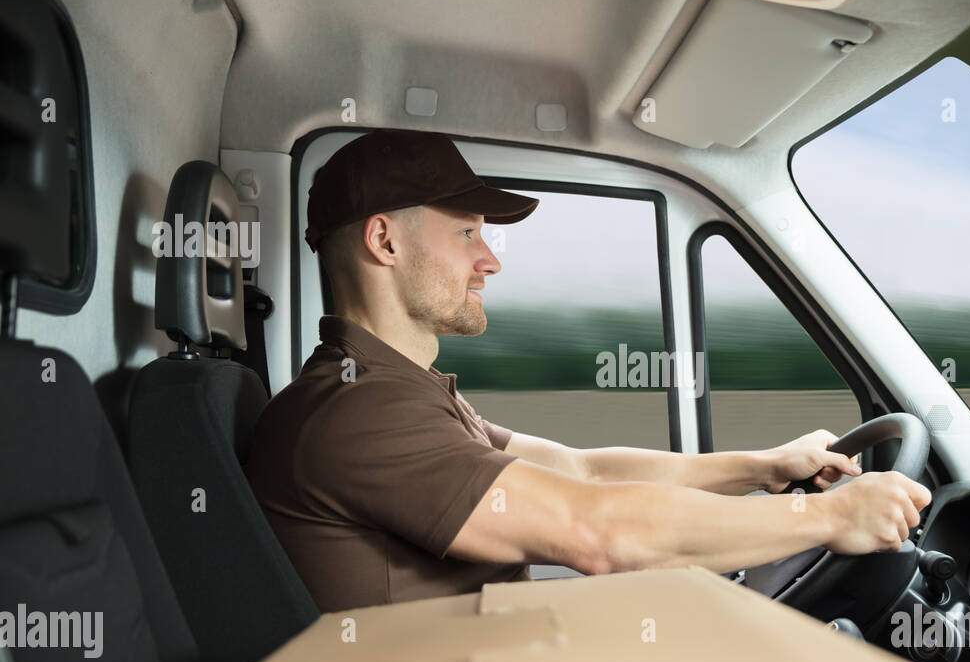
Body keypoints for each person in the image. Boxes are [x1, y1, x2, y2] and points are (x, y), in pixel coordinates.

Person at [246, 129, 930, 611]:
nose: (490, 259)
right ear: (384, 239)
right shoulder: (363, 412)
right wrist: (829, 517)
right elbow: (596, 532)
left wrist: (765, 466)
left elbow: (582, 472)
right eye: (465, 233)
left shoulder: (394, 391)